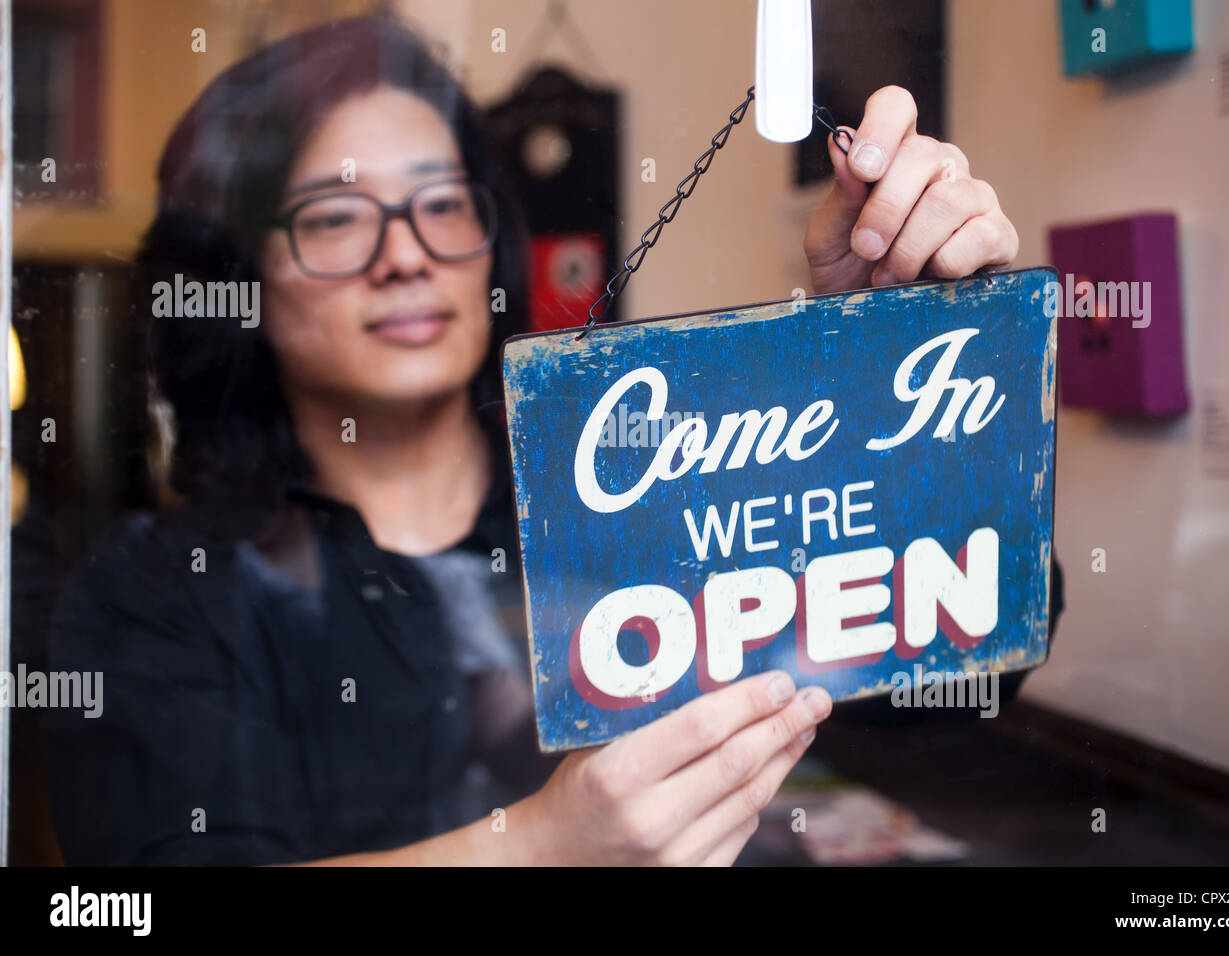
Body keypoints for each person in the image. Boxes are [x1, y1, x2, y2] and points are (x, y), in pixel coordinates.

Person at [40, 13, 1020, 866]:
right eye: (335, 216)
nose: (407, 257)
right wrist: (546, 845)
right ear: (238, 275)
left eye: (440, 203)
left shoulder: (635, 489)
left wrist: (890, 354)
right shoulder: (156, 598)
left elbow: (974, 655)